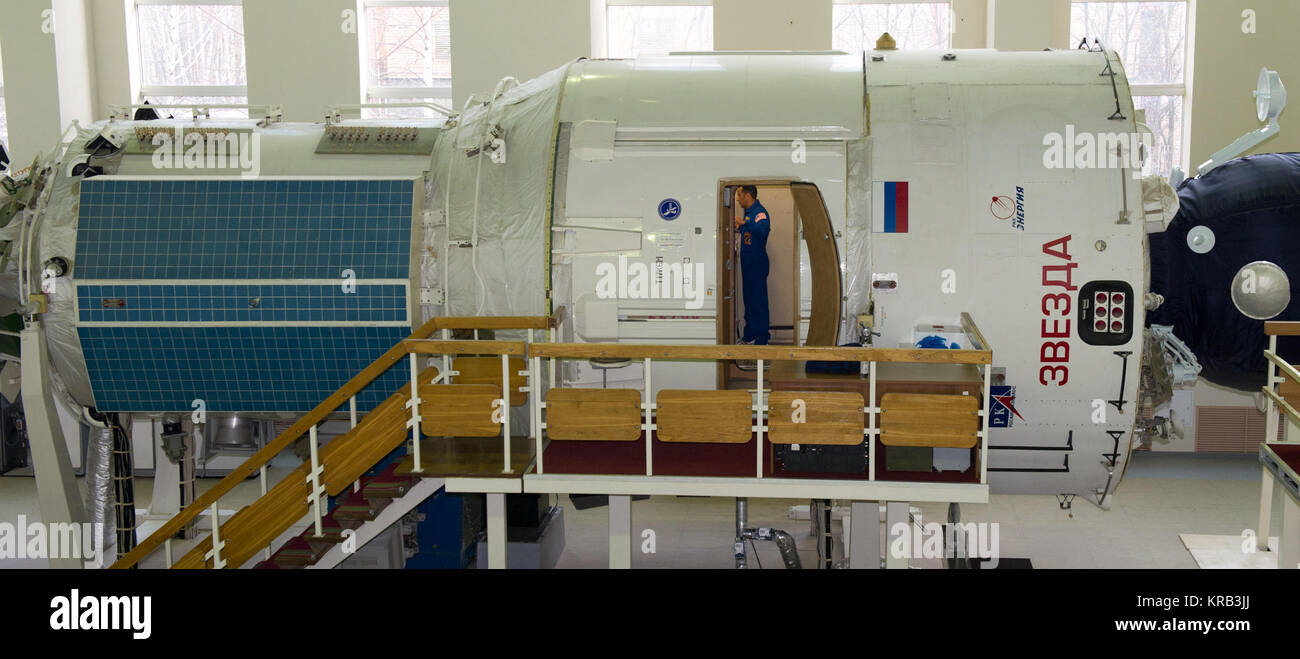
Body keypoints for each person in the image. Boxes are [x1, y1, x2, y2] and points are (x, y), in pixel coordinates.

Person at [734, 185, 770, 345]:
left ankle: (761, 338)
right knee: (749, 300)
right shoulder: (748, 213)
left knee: (758, 300)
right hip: (747, 262)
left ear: (748, 195)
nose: (737, 198)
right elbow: (750, 234)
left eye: (740, 194)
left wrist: (744, 224)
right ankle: (750, 335)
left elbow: (763, 231)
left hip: (756, 261)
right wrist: (740, 227)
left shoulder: (759, 212)